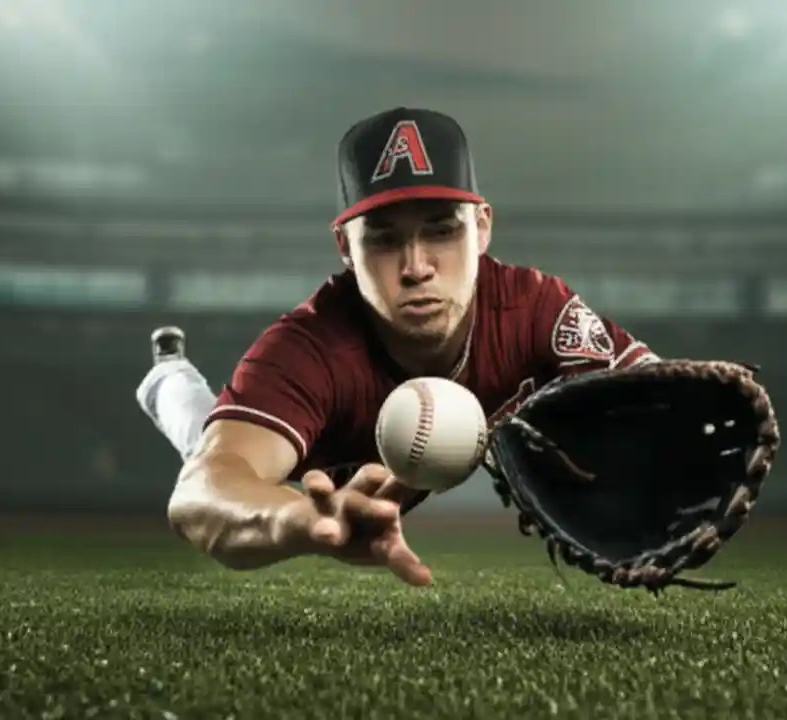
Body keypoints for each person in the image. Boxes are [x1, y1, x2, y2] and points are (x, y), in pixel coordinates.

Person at [136, 107, 659, 588]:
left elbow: (661, 393)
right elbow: (199, 493)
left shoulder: (536, 311)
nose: (416, 267)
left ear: (481, 229)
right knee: (200, 438)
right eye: (385, 239)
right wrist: (299, 518)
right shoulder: (309, 345)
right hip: (312, 476)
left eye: (442, 231)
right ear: (345, 246)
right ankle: (169, 375)